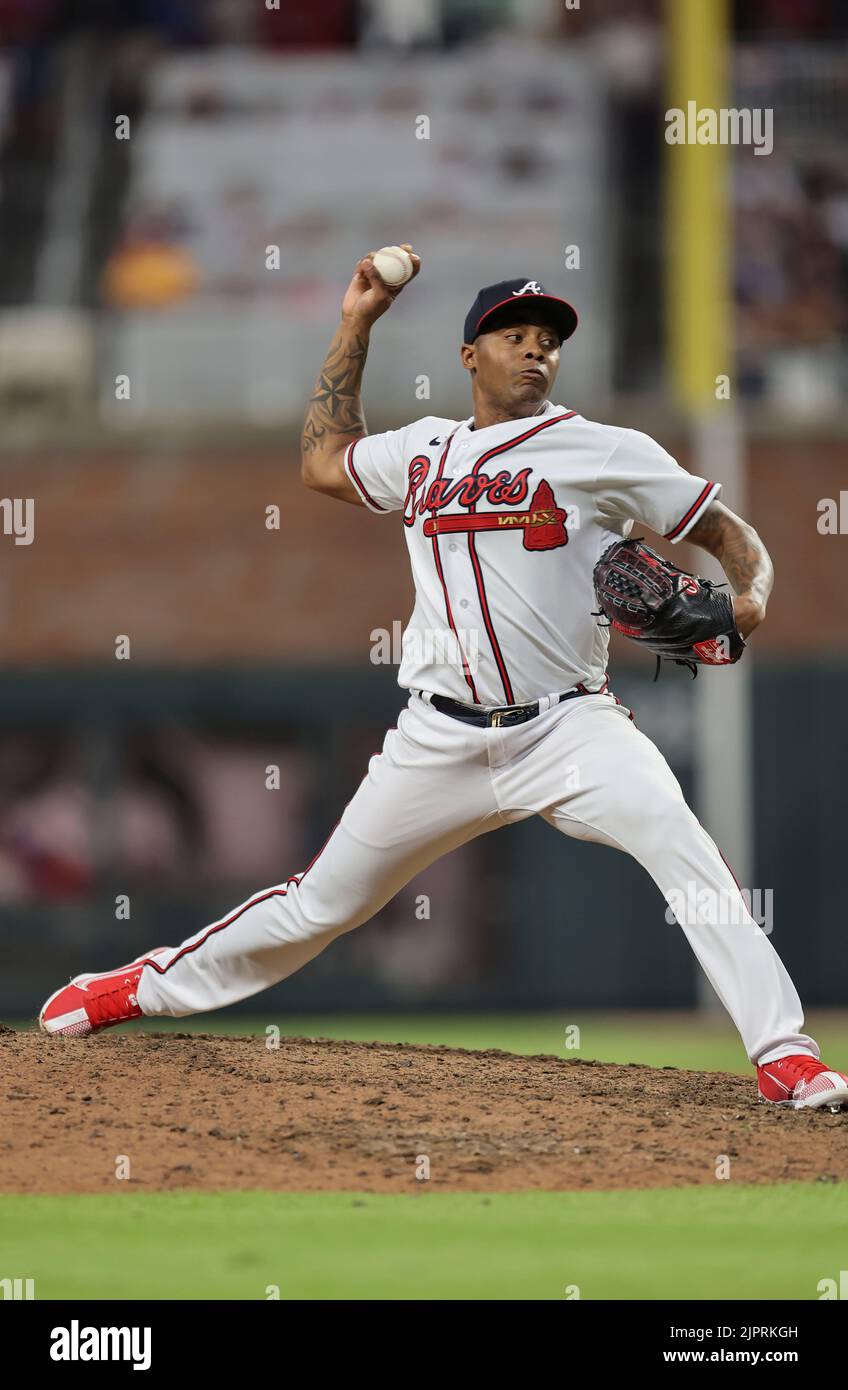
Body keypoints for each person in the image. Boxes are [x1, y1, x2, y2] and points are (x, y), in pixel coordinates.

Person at [39, 246, 848, 1112]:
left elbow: (726, 533)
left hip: (571, 728)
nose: (535, 350)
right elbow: (320, 461)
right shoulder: (422, 452)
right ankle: (136, 986)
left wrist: (750, 600)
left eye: (547, 339)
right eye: (514, 335)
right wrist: (357, 322)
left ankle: (785, 1055)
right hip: (438, 735)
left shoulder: (603, 450)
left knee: (683, 845)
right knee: (321, 906)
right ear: (470, 356)